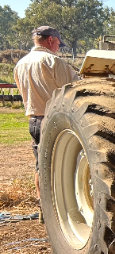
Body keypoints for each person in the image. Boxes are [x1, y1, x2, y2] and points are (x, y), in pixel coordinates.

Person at [14, 26, 79, 200]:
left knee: (41, 166)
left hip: (34, 121)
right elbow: (75, 89)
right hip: (56, 122)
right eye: (58, 44)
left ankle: (43, 206)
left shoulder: (20, 64)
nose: (58, 48)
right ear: (51, 40)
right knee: (66, 166)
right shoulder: (54, 62)